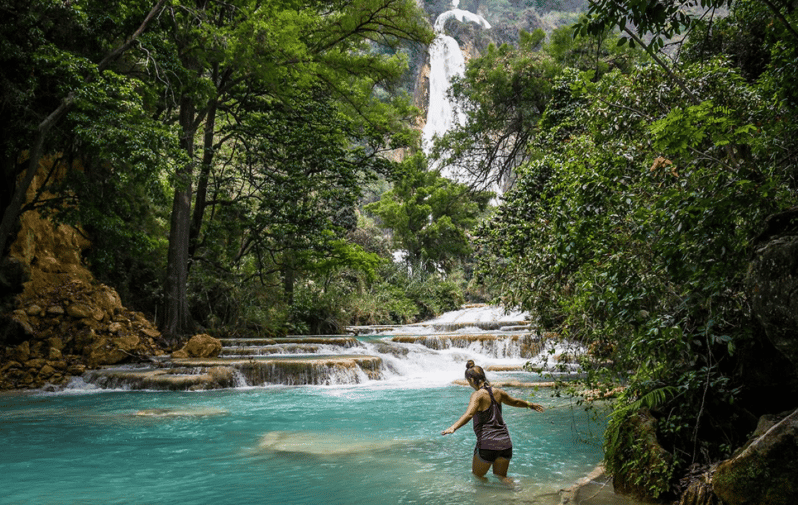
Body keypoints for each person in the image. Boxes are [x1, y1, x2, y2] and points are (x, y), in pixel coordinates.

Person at [441, 360, 544, 485]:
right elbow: (515, 402)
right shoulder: (498, 392)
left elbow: (469, 414)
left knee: (478, 478)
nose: (470, 385)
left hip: (487, 444)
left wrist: (453, 427)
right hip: (505, 444)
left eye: (469, 382)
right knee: (502, 477)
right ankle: (517, 494)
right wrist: (531, 405)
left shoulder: (478, 395)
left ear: (473, 380)